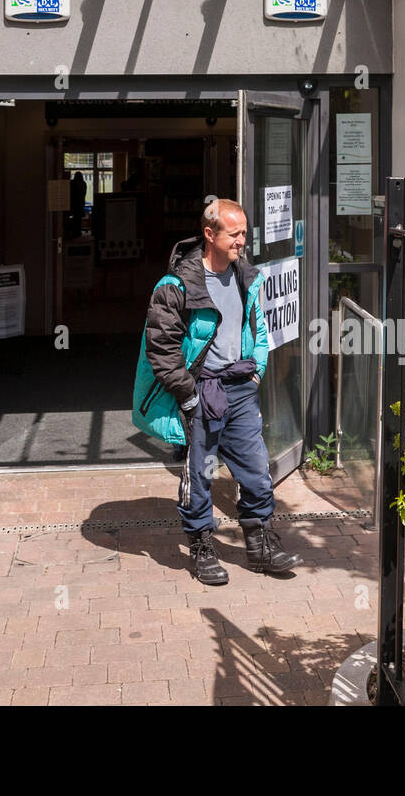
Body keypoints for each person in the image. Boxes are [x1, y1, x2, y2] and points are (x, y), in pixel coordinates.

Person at [131, 198, 302, 585]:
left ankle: (259, 546)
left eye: (245, 233)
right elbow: (162, 349)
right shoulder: (175, 287)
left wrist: (256, 371)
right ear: (210, 234)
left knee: (257, 470)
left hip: (241, 387)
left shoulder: (247, 277)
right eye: (235, 234)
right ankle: (202, 546)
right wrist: (189, 396)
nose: (243, 241)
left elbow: (259, 332)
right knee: (200, 471)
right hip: (202, 390)